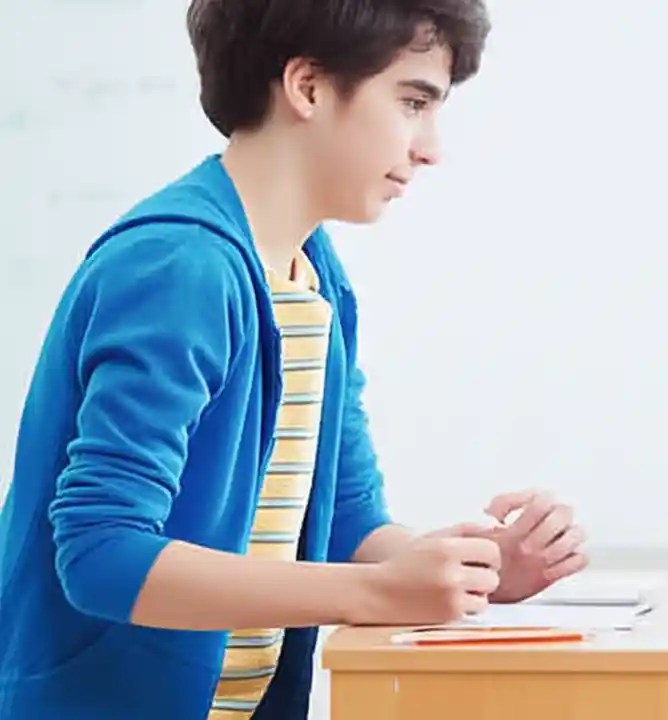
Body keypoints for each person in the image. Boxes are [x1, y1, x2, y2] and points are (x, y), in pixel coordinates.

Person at [0, 1, 588, 717]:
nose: (431, 146)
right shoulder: (180, 268)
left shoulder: (314, 275)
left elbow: (348, 522)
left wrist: (478, 571)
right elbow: (100, 555)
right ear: (307, 87)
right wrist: (377, 592)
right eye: (412, 102)